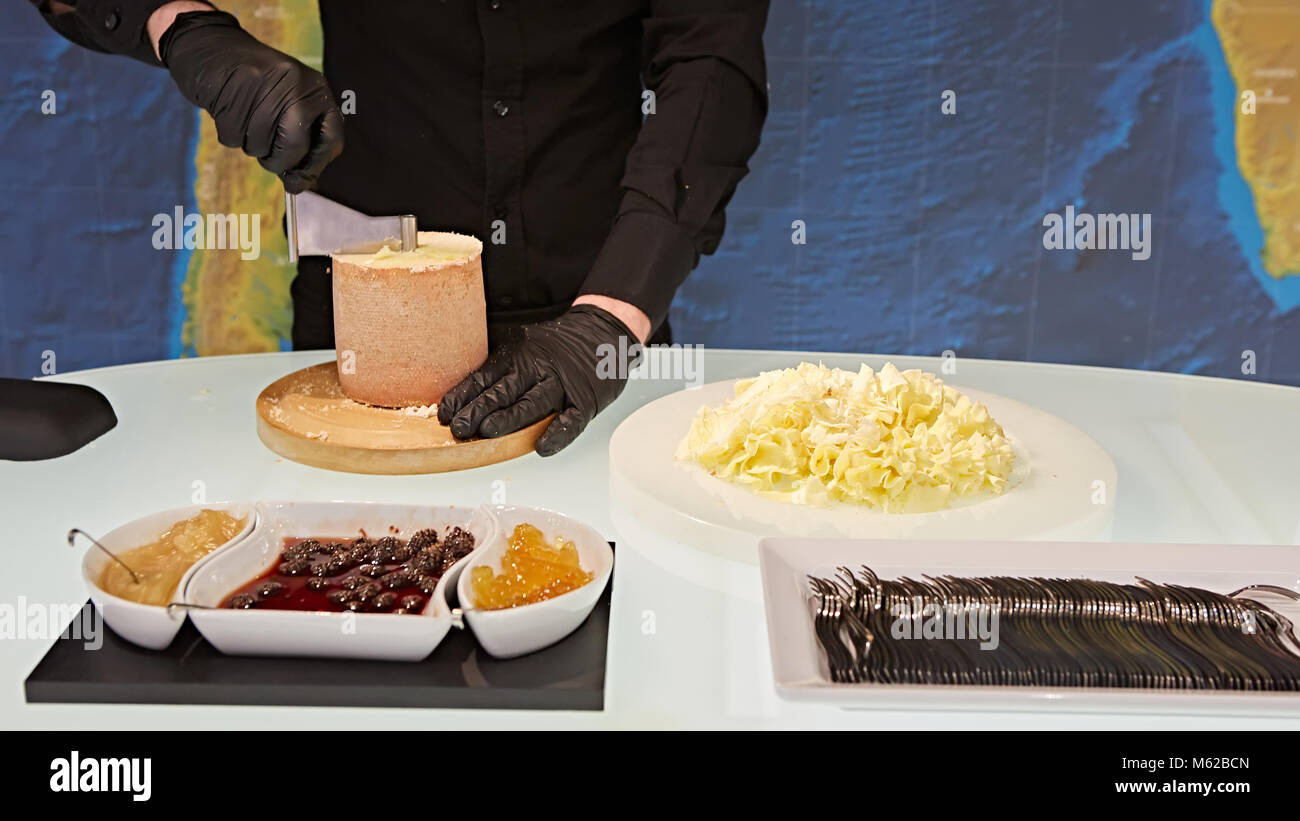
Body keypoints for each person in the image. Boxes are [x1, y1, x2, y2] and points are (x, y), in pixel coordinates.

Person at [30, 0, 768, 455]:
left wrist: (608, 322)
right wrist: (183, 28)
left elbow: (715, 59)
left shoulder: (606, 327)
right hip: (361, 333)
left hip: (601, 323)